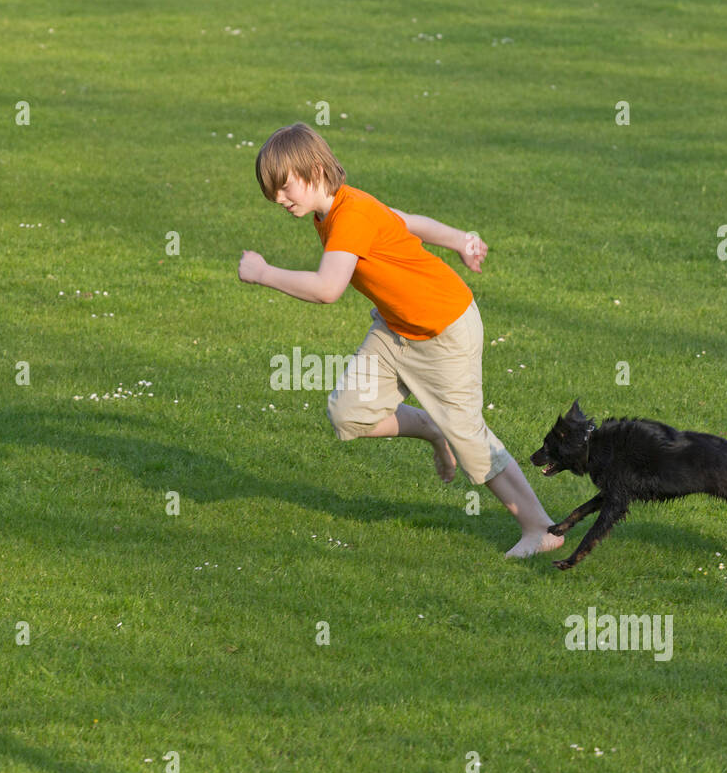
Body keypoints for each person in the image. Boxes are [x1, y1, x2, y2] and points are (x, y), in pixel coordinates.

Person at [238, 122, 563, 558]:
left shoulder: (351, 212)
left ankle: (541, 528)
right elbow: (408, 224)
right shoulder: (330, 212)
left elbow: (327, 289)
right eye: (272, 191)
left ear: (314, 169)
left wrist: (264, 273)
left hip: (445, 330)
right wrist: (460, 240)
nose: (278, 199)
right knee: (349, 414)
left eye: (283, 186)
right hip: (396, 330)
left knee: (470, 440)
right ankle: (432, 427)